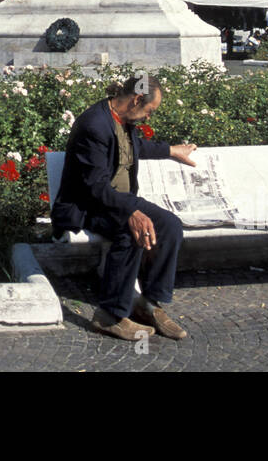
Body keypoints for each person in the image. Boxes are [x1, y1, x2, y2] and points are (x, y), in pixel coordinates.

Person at [51, 74, 200, 342]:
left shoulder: (123, 118)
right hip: (87, 206)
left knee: (170, 226)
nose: (149, 118)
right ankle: (110, 315)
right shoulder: (94, 125)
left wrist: (171, 150)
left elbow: (135, 146)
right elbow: (94, 187)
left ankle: (149, 303)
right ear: (136, 99)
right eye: (149, 111)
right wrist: (130, 213)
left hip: (117, 201)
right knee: (130, 232)